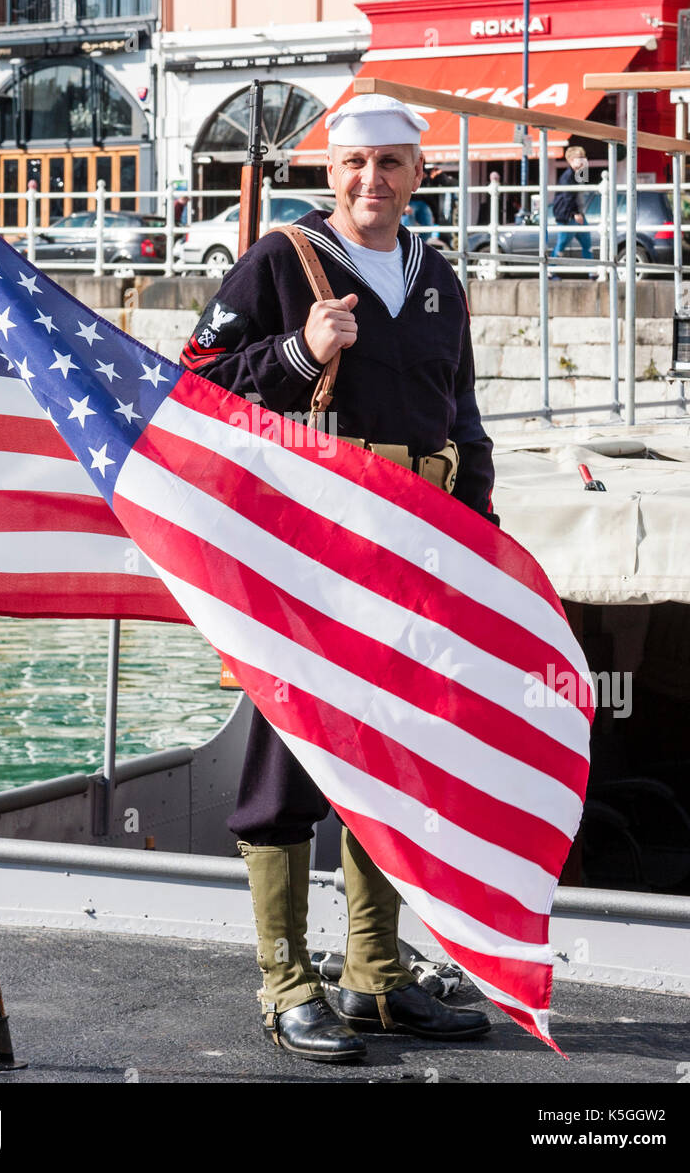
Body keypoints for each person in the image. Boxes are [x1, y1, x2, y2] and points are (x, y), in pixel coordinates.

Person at [179, 93, 495, 1064]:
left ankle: (375, 978)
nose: (372, 181)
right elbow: (190, 383)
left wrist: (478, 544)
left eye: (392, 164)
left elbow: (464, 419)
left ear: (419, 173)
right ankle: (284, 980)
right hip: (307, 555)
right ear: (329, 170)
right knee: (286, 769)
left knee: (392, 761)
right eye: (356, 164)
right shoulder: (281, 262)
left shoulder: (435, 279)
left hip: (413, 555)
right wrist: (296, 352)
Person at [550, 144, 593, 276]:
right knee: (562, 244)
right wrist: (575, 213)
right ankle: (550, 270)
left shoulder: (578, 173)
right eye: (579, 158)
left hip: (578, 215)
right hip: (569, 216)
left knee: (587, 242)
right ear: (570, 160)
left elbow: (580, 193)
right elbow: (568, 196)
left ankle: (591, 272)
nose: (583, 160)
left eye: (583, 157)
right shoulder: (567, 176)